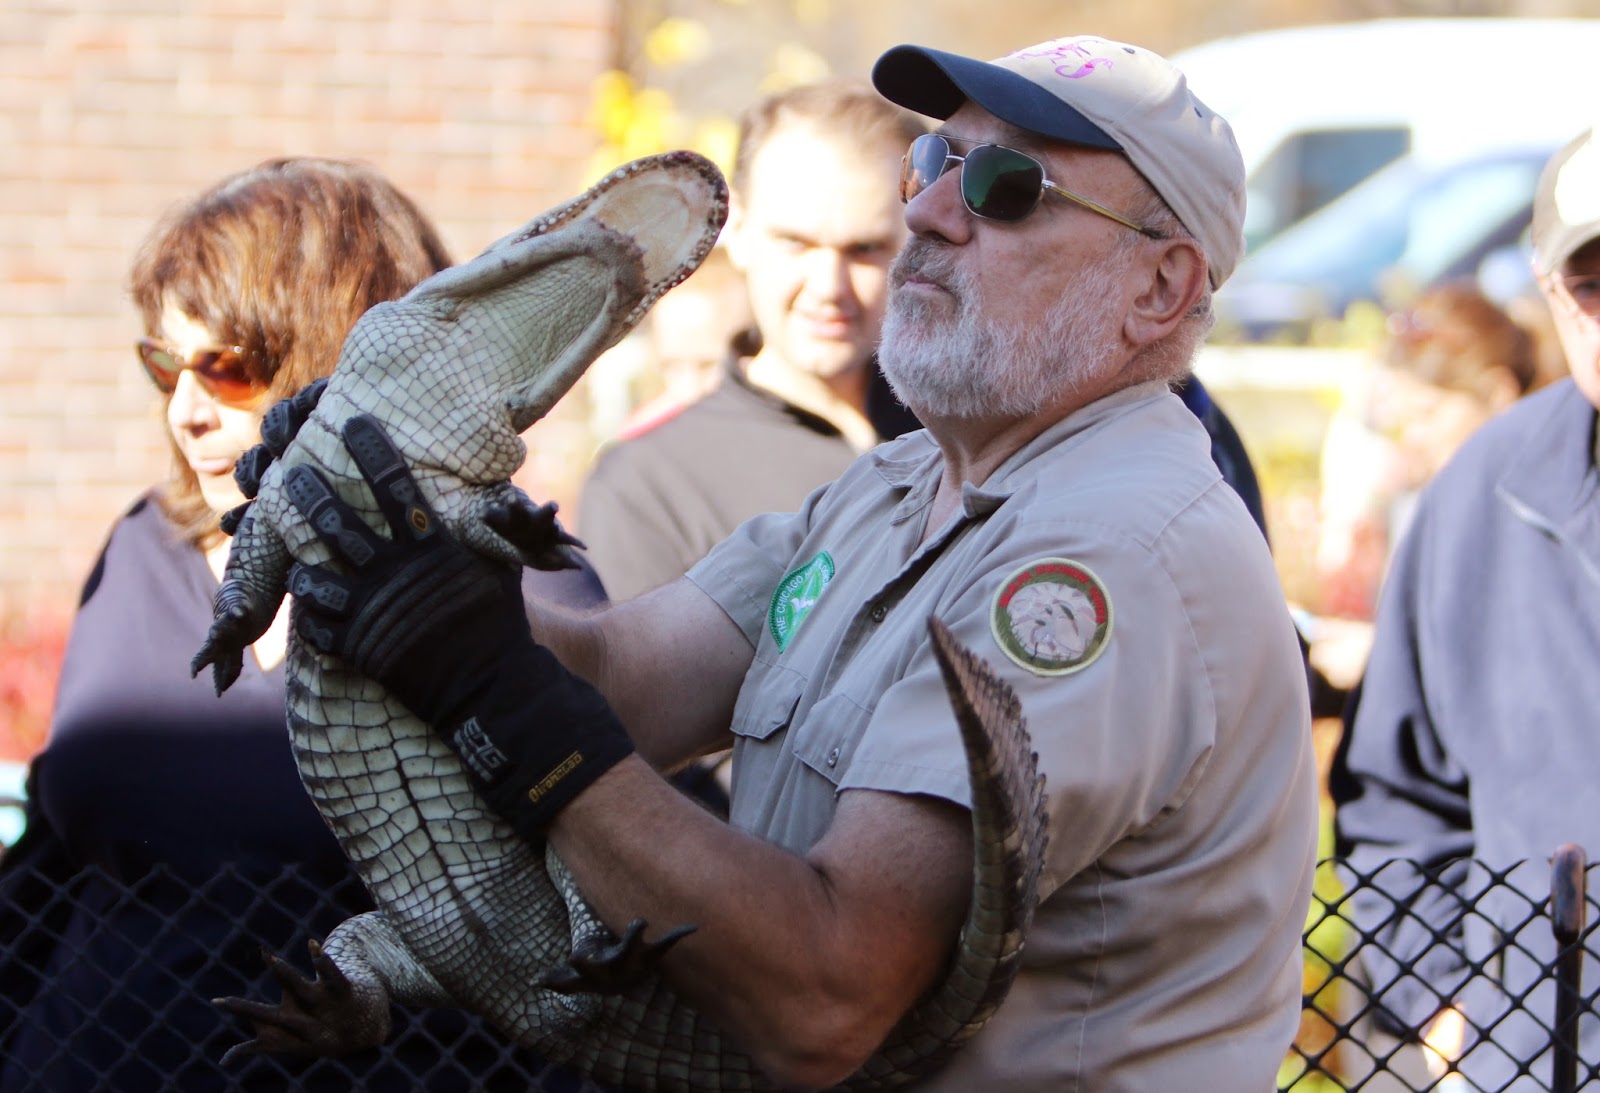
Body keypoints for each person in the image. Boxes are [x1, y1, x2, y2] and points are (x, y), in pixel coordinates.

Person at [274, 35, 1318, 1091]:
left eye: (1006, 187)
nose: (927, 213)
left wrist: (501, 695)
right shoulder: (898, 484)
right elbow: (615, 678)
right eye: (932, 163)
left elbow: (826, 995)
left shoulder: (1110, 557)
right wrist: (395, 526)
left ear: (1159, 286)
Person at [0, 157, 605, 1091]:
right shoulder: (143, 548)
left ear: (343, 362)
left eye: (228, 370)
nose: (186, 410)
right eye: (163, 364)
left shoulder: (503, 572)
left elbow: (593, 894)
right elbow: (63, 847)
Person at [1330, 128, 1600, 1089]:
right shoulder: (1482, 492)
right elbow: (1399, 796)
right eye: (1596, 283)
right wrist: (1443, 1006)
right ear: (1550, 288)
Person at [576, 78, 927, 604]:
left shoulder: (967, 434)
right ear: (735, 228)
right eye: (795, 243)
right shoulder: (649, 485)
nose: (829, 287)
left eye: (866, 249)